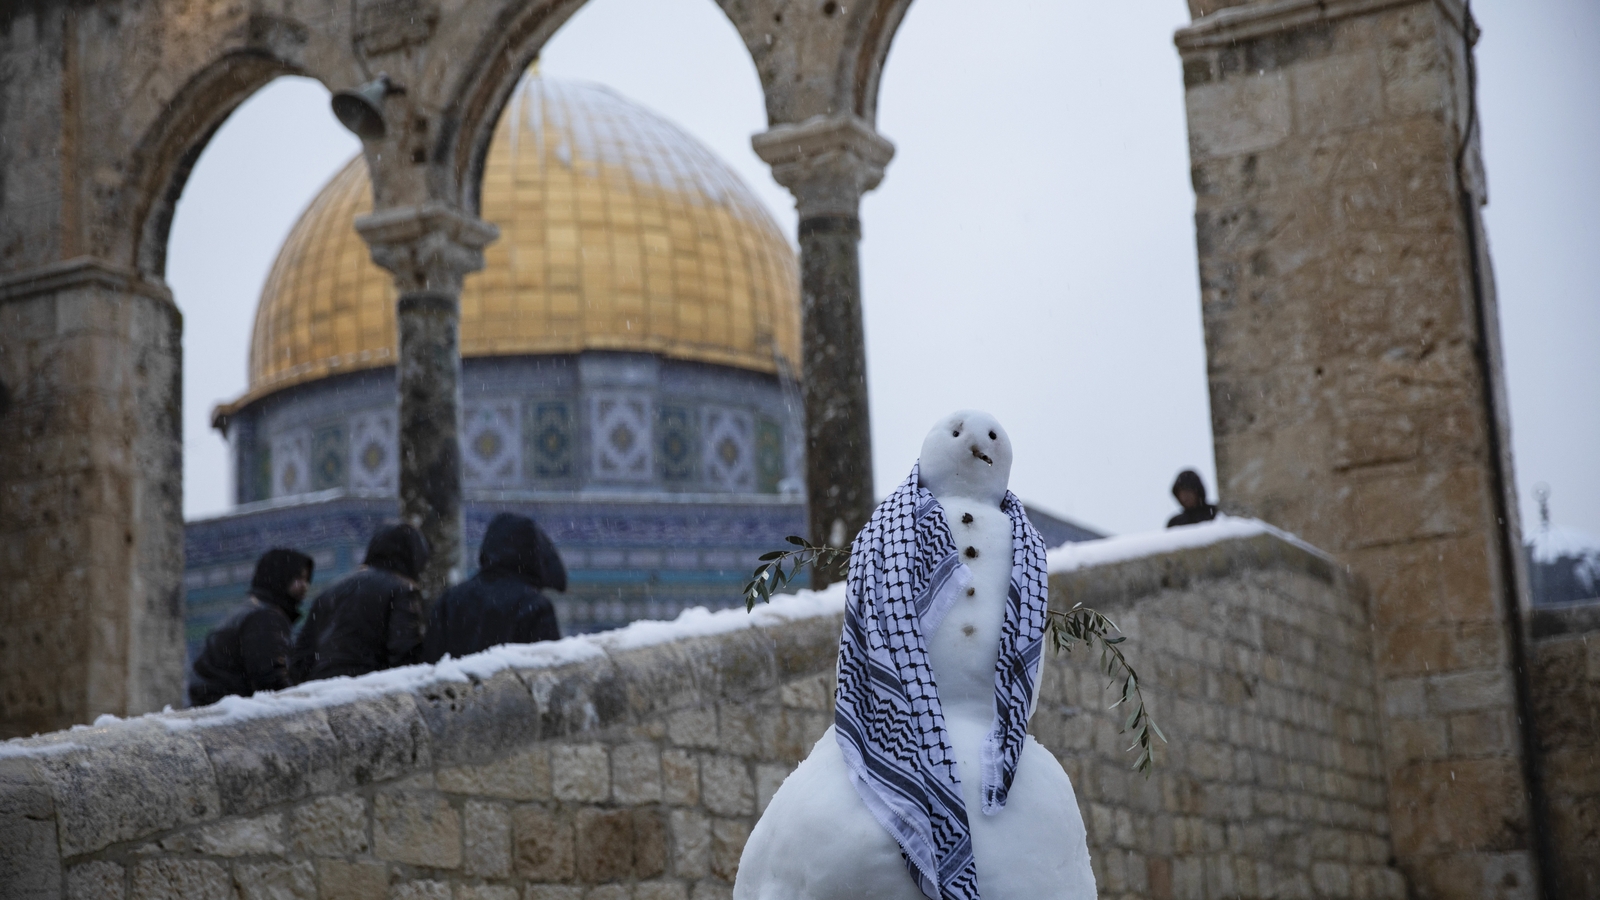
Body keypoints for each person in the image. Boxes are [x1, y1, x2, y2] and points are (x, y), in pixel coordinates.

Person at [291, 523, 430, 683]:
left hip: (324, 693)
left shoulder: (329, 593)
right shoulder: (402, 590)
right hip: (369, 690)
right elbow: (405, 654)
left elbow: (301, 660)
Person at [422, 512, 565, 663]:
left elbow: (432, 663)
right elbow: (547, 670)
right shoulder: (534, 605)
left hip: (455, 686)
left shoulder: (451, 600)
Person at [189, 548, 314, 706]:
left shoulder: (249, 612)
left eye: (307, 579)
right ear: (280, 576)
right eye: (298, 578)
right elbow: (271, 681)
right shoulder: (264, 618)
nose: (305, 586)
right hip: (231, 712)